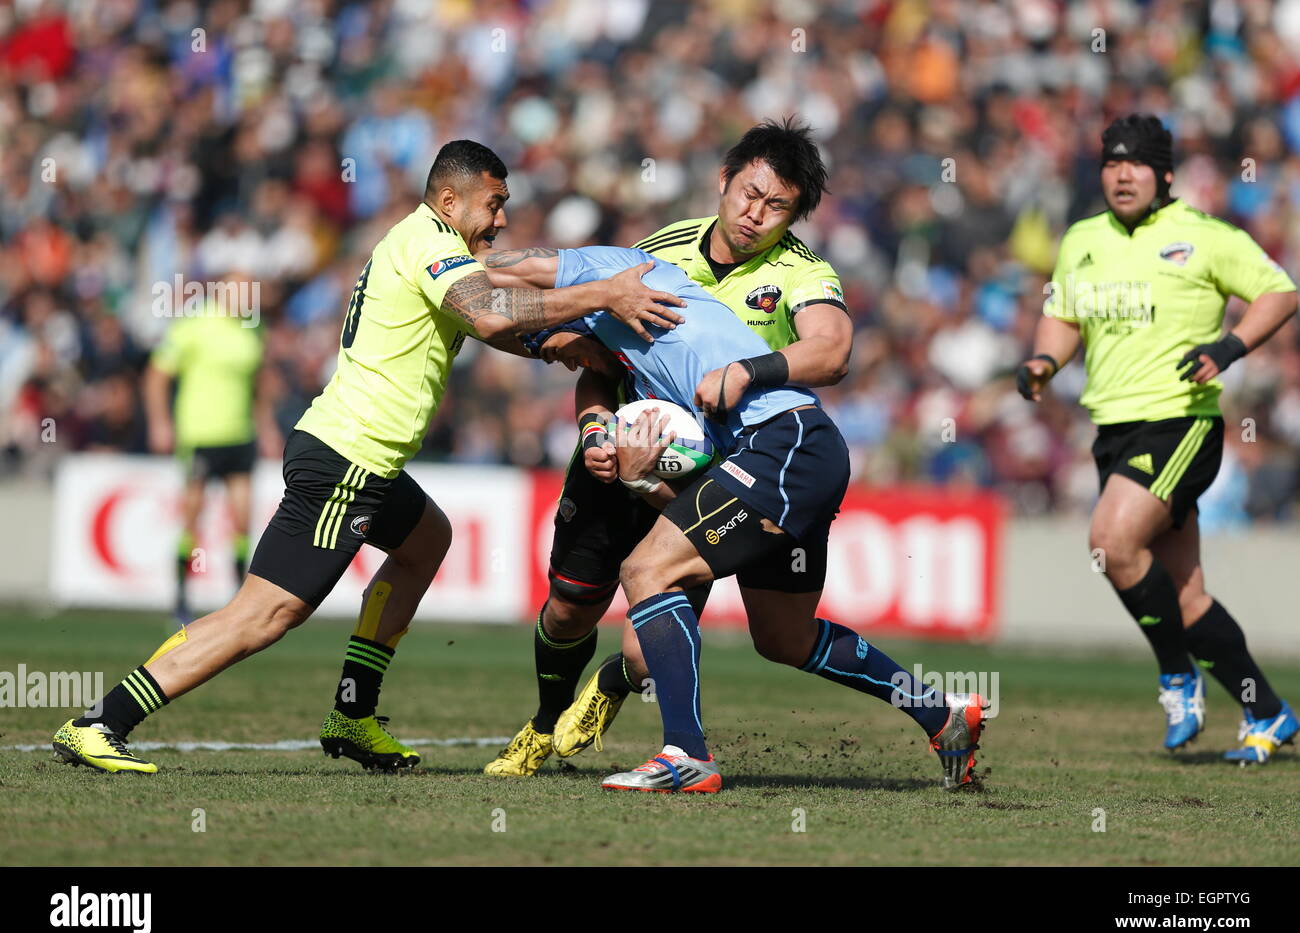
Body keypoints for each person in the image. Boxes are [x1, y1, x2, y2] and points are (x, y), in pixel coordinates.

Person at [50, 140, 683, 774]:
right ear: (449, 200)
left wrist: (556, 348)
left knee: (426, 540)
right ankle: (102, 722)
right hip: (347, 457)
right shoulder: (432, 242)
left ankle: (353, 713)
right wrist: (603, 293)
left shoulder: (427, 245)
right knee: (267, 612)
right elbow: (489, 315)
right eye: (494, 205)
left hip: (362, 459)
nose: (502, 221)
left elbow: (486, 325)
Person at [485, 244, 988, 792]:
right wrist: (636, 473)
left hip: (786, 445)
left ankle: (687, 754)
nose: (564, 356)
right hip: (788, 457)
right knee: (784, 637)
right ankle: (942, 715)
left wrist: (448, 260)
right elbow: (687, 504)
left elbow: (505, 274)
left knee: (646, 572)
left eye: (552, 346)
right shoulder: (641, 367)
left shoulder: (616, 272)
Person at [483, 118, 854, 777]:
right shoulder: (658, 251)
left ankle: (633, 703)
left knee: (642, 653)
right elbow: (602, 356)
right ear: (724, 180)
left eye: (777, 207)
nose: (756, 214)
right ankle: (542, 725)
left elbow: (830, 351)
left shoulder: (802, 273)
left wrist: (746, 373)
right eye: (749, 193)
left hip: (707, 466)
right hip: (620, 442)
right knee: (568, 608)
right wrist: (597, 430)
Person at [1017, 114, 1298, 764]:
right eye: (1112, 162)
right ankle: (1268, 711)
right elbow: (1061, 313)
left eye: (1136, 163)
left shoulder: (1203, 236)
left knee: (1111, 543)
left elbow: (1280, 293)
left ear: (1165, 174)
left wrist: (1228, 347)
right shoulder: (1083, 238)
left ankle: (1176, 675)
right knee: (1184, 595)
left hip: (1180, 422)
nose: (1122, 173)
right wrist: (1043, 363)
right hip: (1113, 428)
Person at [143, 286, 278, 621]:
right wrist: (161, 423)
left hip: (240, 435)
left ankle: (238, 603)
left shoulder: (253, 329)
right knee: (193, 517)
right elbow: (156, 376)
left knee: (243, 519)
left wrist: (266, 427)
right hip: (200, 436)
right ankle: (181, 600)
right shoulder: (192, 326)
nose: (249, 298)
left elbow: (258, 385)